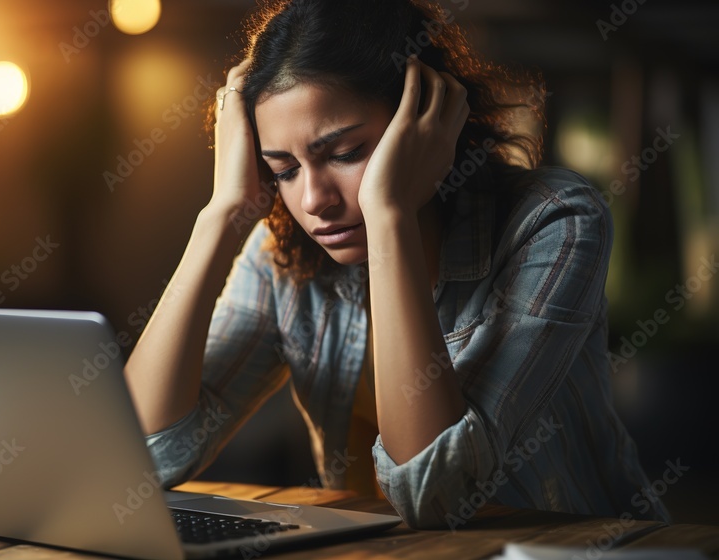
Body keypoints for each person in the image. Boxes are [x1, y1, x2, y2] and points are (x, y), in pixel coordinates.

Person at [122, 0, 671, 529]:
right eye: (284, 169)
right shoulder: (280, 257)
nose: (313, 200)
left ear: (429, 119)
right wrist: (222, 214)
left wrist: (389, 212)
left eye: (346, 153)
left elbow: (437, 496)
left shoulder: (554, 222)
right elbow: (138, 462)